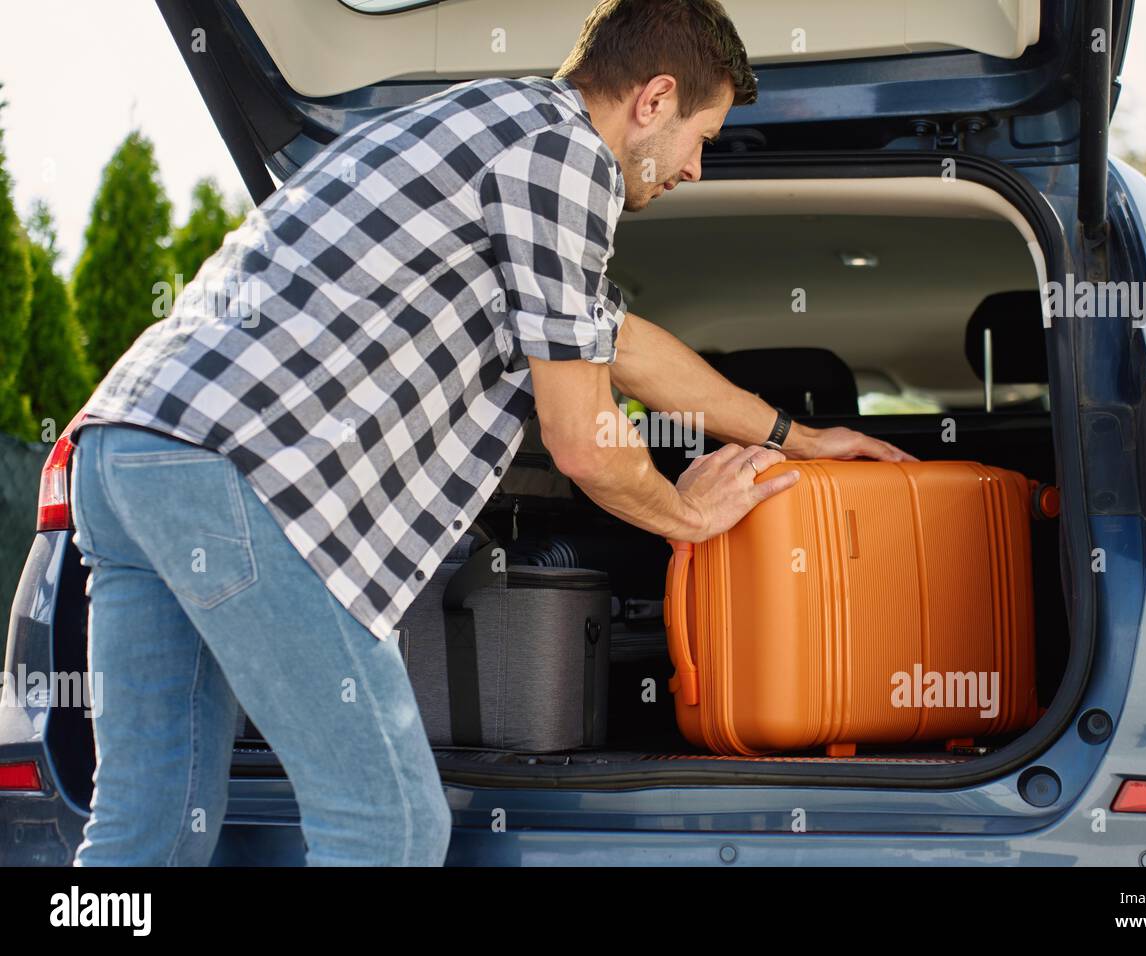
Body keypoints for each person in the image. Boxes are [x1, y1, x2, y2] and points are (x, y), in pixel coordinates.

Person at [68, 0, 914, 866]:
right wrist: (686, 515)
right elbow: (583, 439)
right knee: (386, 826)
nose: (697, 168)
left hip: (124, 451)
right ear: (654, 99)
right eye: (704, 135)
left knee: (146, 830)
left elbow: (625, 348)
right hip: (245, 475)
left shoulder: (491, 129)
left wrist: (796, 436)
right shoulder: (566, 156)